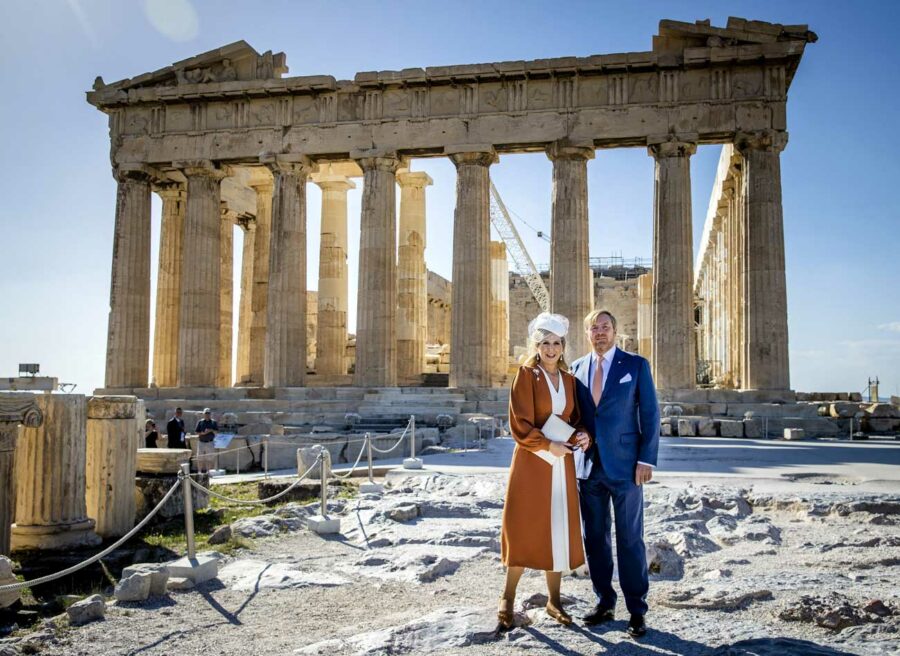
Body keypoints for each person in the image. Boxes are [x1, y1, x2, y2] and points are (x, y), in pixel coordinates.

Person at [570, 309, 660, 638]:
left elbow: (650, 414)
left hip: (626, 467)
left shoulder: (635, 365)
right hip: (588, 468)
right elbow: (575, 415)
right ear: (587, 333)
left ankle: (637, 609)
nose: (600, 333)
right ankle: (604, 601)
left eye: (605, 327)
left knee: (630, 539)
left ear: (616, 331)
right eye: (594, 328)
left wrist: (646, 460)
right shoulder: (576, 368)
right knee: (594, 539)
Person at [499, 312, 592, 629]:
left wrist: (582, 434)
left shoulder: (569, 381)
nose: (551, 349)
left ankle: (554, 601)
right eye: (545, 343)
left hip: (561, 464)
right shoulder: (526, 375)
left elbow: (576, 419)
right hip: (531, 461)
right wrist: (545, 445)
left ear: (563, 346)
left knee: (559, 528)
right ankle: (508, 599)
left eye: (556, 343)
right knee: (524, 525)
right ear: (536, 345)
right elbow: (519, 424)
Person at [195, 408, 218, 474]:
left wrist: (210, 430)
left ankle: (208, 472)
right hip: (201, 442)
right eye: (206, 413)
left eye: (208, 413)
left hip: (210, 442)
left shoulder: (213, 422)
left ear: (210, 414)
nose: (207, 415)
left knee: (209, 458)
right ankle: (199, 471)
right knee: (200, 458)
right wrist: (203, 433)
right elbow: (197, 431)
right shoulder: (200, 422)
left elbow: (216, 431)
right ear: (204, 414)